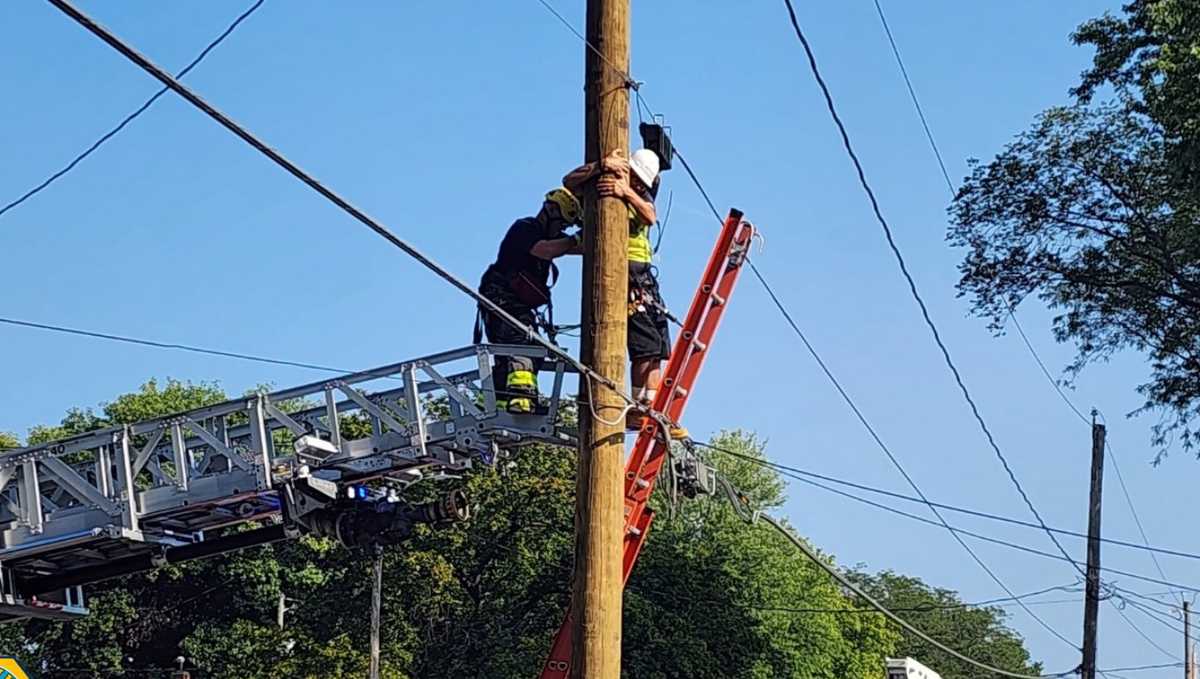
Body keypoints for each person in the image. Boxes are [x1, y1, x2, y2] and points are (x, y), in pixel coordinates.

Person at [564, 149, 678, 434]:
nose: (640, 185)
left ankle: (651, 407)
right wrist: (603, 165)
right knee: (644, 345)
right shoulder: (604, 189)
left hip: (644, 277)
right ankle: (638, 410)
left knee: (658, 346)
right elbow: (569, 181)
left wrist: (626, 189)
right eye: (636, 178)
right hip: (625, 277)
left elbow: (650, 215)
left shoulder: (634, 193)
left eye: (643, 182)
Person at [476, 188, 583, 414]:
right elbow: (545, 251)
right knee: (522, 344)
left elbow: (568, 248)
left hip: (516, 303)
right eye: (561, 224)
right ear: (550, 211)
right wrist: (575, 239)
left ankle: (506, 403)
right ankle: (520, 399)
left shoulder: (547, 237)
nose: (561, 230)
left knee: (518, 349)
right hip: (501, 298)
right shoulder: (526, 228)